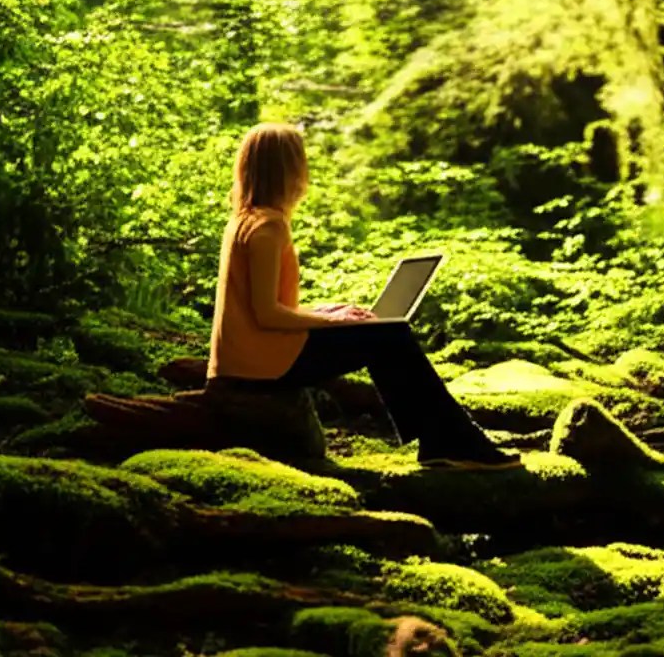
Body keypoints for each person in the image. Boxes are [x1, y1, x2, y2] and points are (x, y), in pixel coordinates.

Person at [207, 122, 521, 470]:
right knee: (390, 336)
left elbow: (266, 307)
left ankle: (442, 438)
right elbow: (266, 314)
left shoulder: (246, 221)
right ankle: (452, 441)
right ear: (288, 168)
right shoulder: (267, 228)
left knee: (383, 332)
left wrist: (329, 309)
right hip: (261, 367)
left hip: (252, 360)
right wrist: (331, 321)